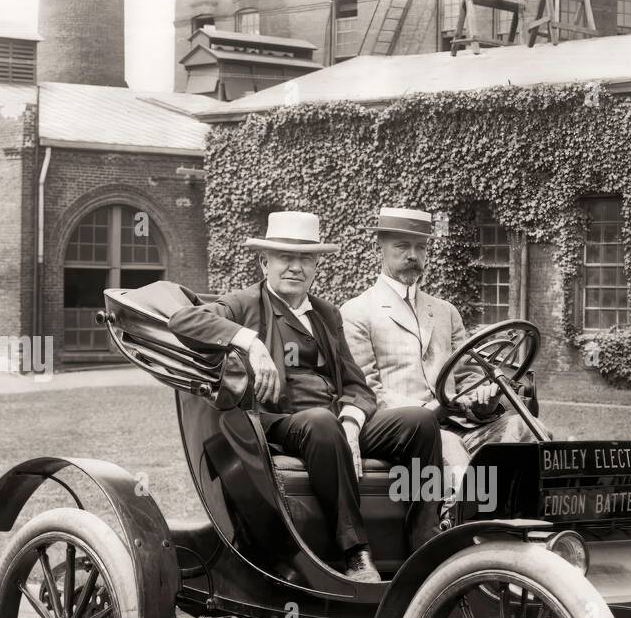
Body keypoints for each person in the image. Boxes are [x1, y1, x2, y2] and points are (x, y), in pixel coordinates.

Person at [168, 211, 443, 583]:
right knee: (319, 421)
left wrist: (351, 421)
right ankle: (355, 552)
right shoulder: (243, 304)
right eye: (285, 258)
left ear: (316, 266)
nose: (295, 267)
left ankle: (424, 543)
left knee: (420, 422)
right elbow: (183, 321)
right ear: (265, 262)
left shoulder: (327, 314)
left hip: (331, 424)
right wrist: (250, 344)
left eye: (305, 259)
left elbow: (357, 385)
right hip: (273, 424)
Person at [340, 207, 539, 483]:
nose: (413, 255)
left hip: (461, 424)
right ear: (379, 251)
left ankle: (525, 522)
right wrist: (429, 409)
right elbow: (367, 390)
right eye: (402, 246)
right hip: (406, 433)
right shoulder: (357, 312)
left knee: (526, 432)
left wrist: (484, 398)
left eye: (420, 247)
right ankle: (460, 523)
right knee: (454, 458)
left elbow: (468, 375)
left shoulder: (445, 311)